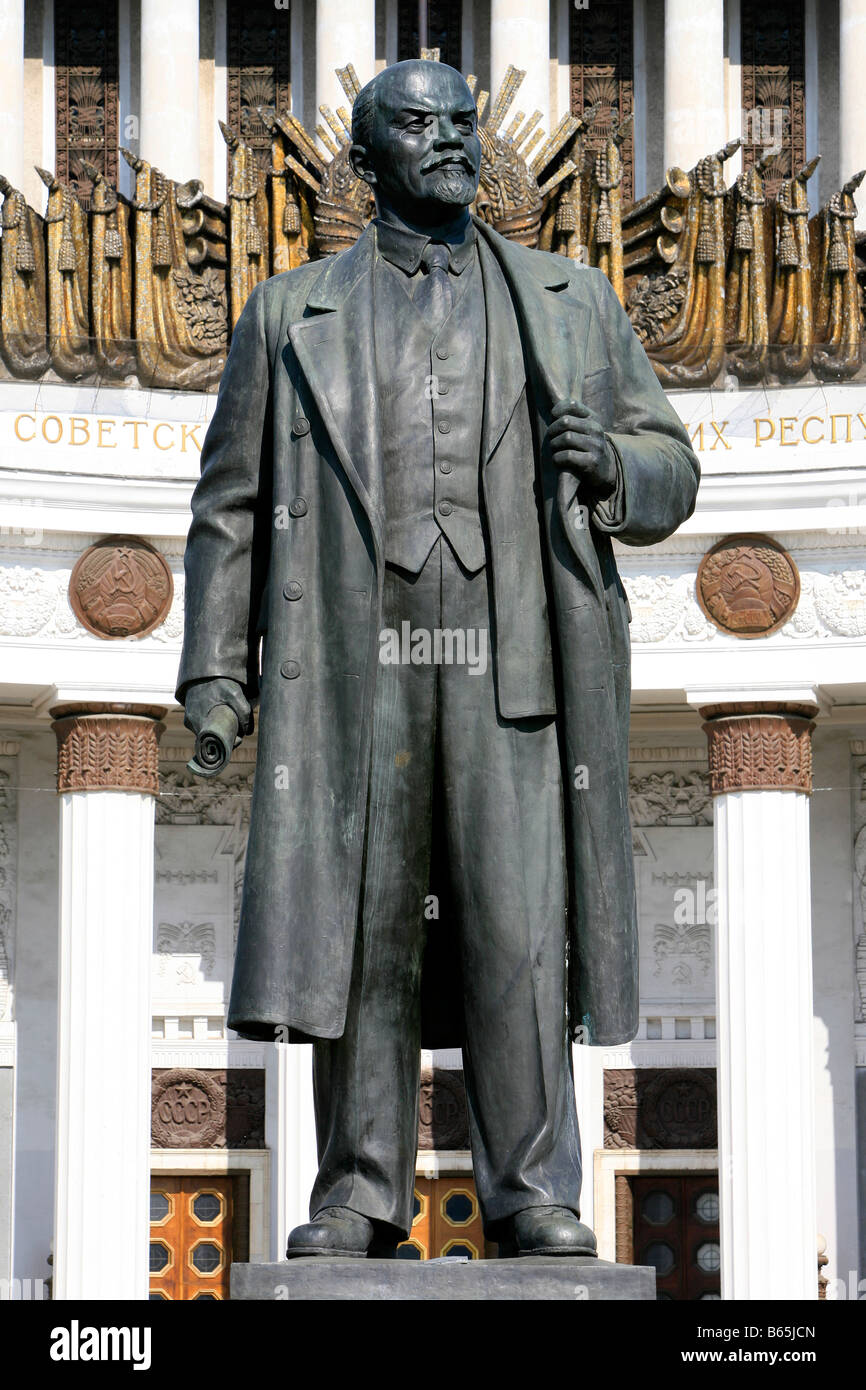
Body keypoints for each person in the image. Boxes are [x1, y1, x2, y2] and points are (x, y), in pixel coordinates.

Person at [178, 59, 700, 1259]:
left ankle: (527, 1188)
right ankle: (359, 1189)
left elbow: (669, 464)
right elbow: (231, 508)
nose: (451, 141)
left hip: (511, 659)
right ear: (364, 162)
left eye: (462, 121)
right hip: (349, 665)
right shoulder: (284, 313)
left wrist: (615, 468)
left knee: (516, 928)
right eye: (417, 124)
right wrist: (215, 667)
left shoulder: (571, 302)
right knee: (364, 927)